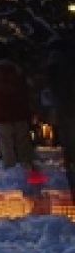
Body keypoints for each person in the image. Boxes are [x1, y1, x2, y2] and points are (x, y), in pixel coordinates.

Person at [0, 58, 33, 168]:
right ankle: (25, 166)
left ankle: (10, 167)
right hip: (20, 115)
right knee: (22, 143)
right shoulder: (18, 75)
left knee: (6, 144)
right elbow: (25, 96)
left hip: (2, 116)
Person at [45, 37, 75, 199]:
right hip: (67, 108)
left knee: (70, 150)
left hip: (67, 109)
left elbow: (53, 86)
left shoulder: (56, 63)